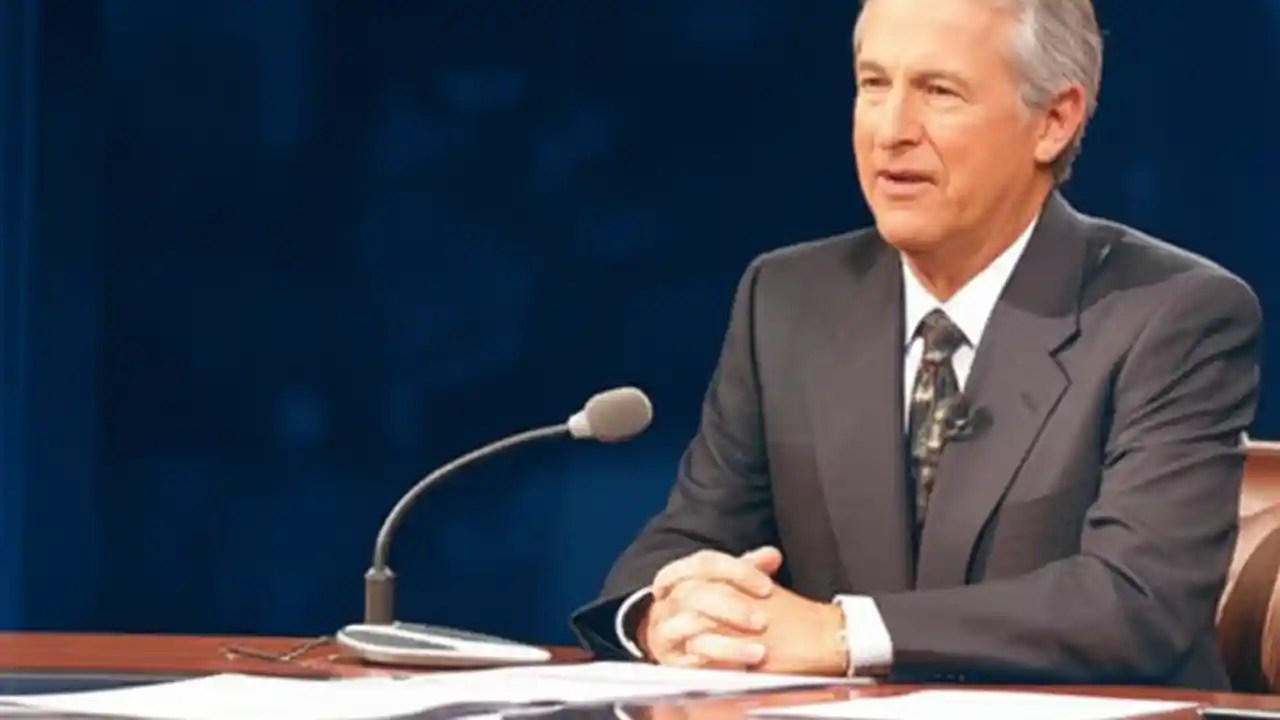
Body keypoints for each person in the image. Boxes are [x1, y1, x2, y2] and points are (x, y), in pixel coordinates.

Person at [570, 0, 1263, 689]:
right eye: (874, 85)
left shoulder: (1172, 315)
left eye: (939, 91)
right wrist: (663, 617)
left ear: (1054, 120)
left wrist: (842, 634)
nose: (892, 130)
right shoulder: (787, 299)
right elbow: (689, 539)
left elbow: (1136, 603)